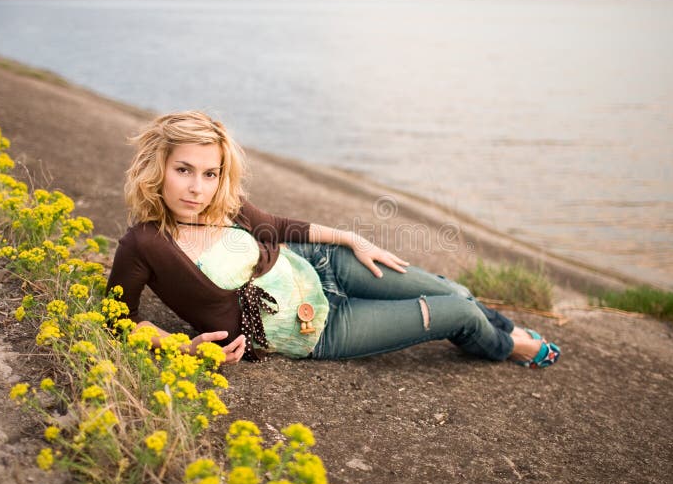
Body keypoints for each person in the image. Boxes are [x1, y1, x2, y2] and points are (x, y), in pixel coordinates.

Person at [107, 111, 560, 368]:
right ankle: (512, 344)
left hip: (323, 265)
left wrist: (351, 240)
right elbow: (116, 322)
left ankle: (498, 329)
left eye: (210, 174)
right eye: (183, 170)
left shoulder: (222, 205)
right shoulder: (144, 245)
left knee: (456, 291)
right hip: (322, 330)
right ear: (157, 167)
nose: (196, 188)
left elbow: (283, 227)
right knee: (460, 309)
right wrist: (180, 346)